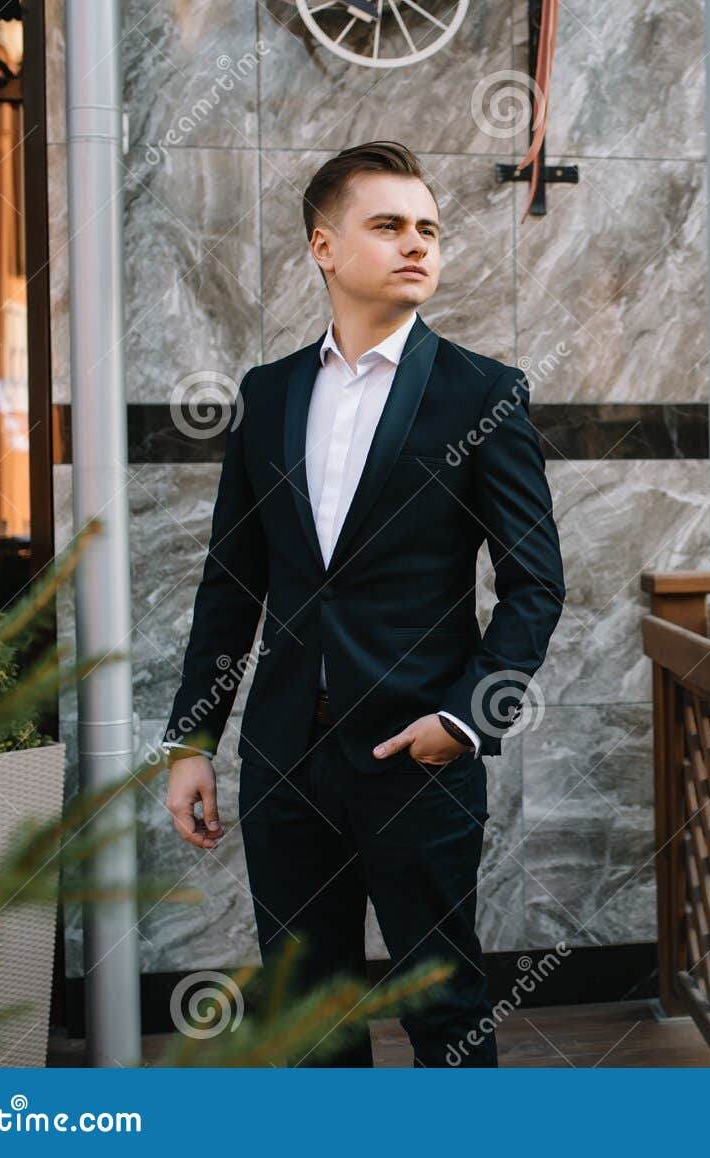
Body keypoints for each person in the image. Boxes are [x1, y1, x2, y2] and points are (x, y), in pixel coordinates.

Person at [160, 140, 565, 1067]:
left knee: (446, 1006)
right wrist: (192, 742)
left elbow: (536, 583)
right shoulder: (266, 398)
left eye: (428, 228)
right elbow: (232, 583)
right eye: (388, 225)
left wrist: (463, 719)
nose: (416, 243)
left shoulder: (483, 395)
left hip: (417, 756)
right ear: (323, 246)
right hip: (284, 759)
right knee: (307, 1015)